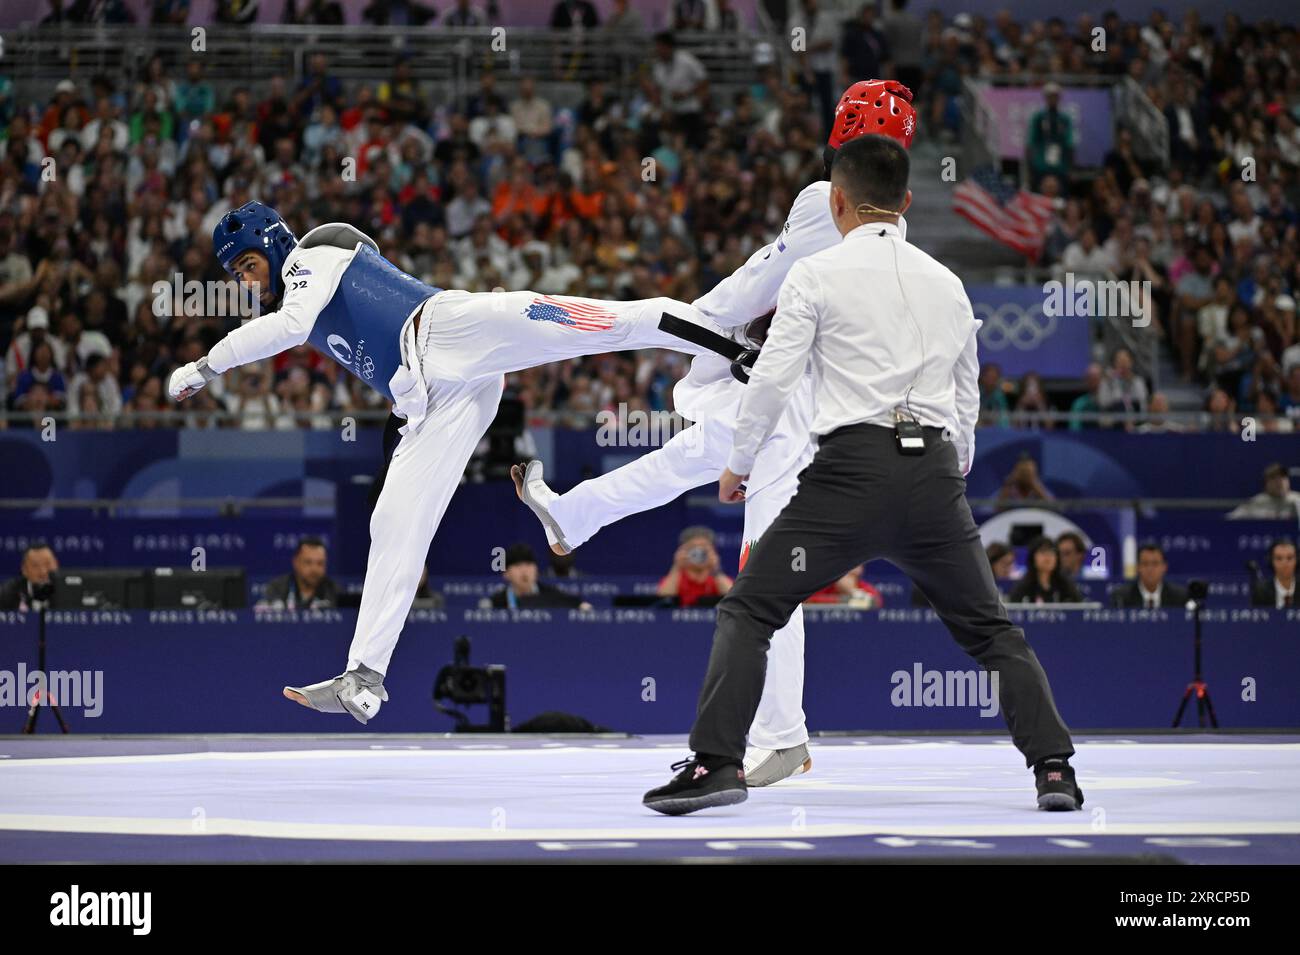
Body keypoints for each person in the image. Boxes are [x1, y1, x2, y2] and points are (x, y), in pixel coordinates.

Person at [642, 134, 1080, 815]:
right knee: (994, 632)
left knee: (751, 607)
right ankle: (1055, 769)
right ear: (906, 202)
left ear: (837, 201)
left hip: (846, 479)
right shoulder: (949, 284)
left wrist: (741, 462)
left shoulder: (814, 276)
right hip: (932, 478)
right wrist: (952, 467)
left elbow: (773, 379)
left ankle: (717, 765)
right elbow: (967, 399)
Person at [168, 201, 725, 723]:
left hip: (450, 330)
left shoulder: (310, 257)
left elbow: (291, 324)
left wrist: (204, 366)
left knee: (601, 323)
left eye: (247, 266)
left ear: (272, 244)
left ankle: (729, 343)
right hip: (433, 399)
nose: (245, 282)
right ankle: (364, 679)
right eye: (235, 275)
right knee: (392, 523)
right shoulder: (300, 300)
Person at [513, 80, 918, 787]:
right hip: (808, 400)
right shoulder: (896, 233)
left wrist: (694, 324)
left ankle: (780, 735)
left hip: (790, 407)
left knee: (765, 571)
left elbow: (758, 281)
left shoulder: (828, 200)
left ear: (842, 136)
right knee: (690, 462)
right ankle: (573, 514)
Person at [487, 544, 590, 610]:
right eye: (517, 565)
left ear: (536, 570)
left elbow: (576, 603)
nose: (524, 570)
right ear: (506, 573)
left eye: (528, 564)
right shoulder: (495, 603)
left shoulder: (552, 595)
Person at [657, 526, 734, 607]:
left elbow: (734, 599)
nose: (698, 553)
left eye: (703, 547)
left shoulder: (718, 578)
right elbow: (663, 599)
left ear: (713, 550)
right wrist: (677, 566)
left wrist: (716, 569)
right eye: (693, 547)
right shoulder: (676, 578)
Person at [258, 537, 340, 610]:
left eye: (320, 563)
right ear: (296, 562)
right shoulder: (277, 589)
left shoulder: (335, 592)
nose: (314, 569)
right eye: (308, 562)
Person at [1007, 537, 1084, 604]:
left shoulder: (1066, 586)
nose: (1048, 556)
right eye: (1042, 551)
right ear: (1033, 558)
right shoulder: (1022, 588)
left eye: (1052, 551)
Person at [1110, 543, 1188, 609]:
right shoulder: (1121, 598)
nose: (1150, 569)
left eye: (1155, 563)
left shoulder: (1179, 597)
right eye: (1145, 564)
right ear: (1137, 567)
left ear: (1164, 567)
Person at [0, 542, 59, 612]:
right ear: (24, 570)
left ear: (56, 564)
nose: (43, 572)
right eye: (35, 566)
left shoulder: (69, 590)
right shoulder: (6, 594)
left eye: (47, 564)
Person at [1228, 463, 1300, 520]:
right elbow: (1230, 519)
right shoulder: (1256, 502)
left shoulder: (1297, 499)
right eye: (1274, 478)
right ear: (1266, 483)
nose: (1280, 481)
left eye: (1283, 477)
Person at [1250, 539, 1297, 609]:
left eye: (1289, 558)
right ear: (1271, 561)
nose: (1285, 563)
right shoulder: (1261, 592)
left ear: (1297, 560)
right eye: (1279, 558)